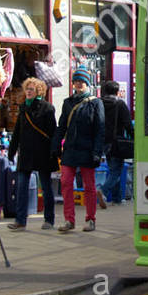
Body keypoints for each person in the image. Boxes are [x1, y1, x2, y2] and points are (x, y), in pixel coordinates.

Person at [53, 69, 106, 232]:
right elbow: (62, 126)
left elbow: (100, 129)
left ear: (87, 83)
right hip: (70, 149)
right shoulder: (67, 102)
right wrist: (56, 144)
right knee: (66, 183)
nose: (78, 84)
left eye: (81, 81)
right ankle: (69, 220)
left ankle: (90, 219)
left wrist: (97, 152)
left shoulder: (96, 103)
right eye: (75, 81)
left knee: (89, 186)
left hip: (88, 150)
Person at [6, 76, 57, 231]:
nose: (28, 92)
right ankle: (20, 220)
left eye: (31, 89)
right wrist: (12, 150)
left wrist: (55, 151)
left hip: (43, 153)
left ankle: (49, 219)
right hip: (26, 153)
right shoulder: (23, 108)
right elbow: (17, 132)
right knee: (22, 187)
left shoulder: (47, 108)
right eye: (27, 89)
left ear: (38, 91)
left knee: (46, 187)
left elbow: (53, 132)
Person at [99, 80, 134, 207]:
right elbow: (128, 124)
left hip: (103, 141)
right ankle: (103, 190)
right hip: (117, 142)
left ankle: (117, 198)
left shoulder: (100, 104)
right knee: (116, 171)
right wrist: (134, 138)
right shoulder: (120, 104)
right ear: (117, 91)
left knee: (113, 168)